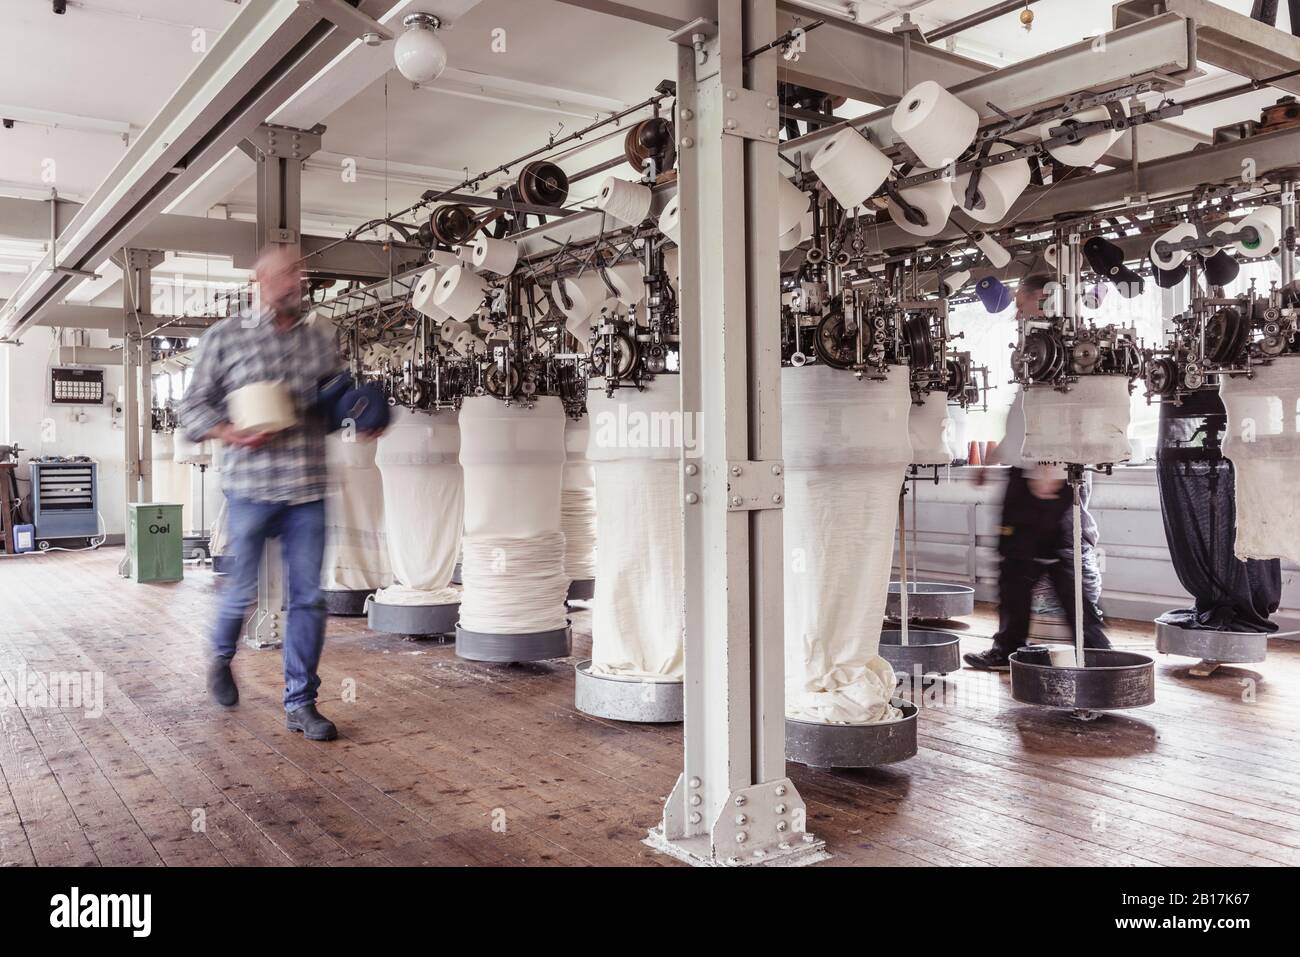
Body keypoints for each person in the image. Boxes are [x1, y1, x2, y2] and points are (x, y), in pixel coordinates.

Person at [181, 246, 350, 740]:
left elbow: (332, 400)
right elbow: (191, 406)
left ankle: (301, 703)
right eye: (287, 272)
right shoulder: (224, 338)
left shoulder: (320, 337)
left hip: (307, 486)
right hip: (251, 487)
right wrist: (230, 432)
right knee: (241, 592)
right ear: (260, 278)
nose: (297, 279)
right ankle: (220, 657)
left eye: (300, 271)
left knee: (309, 598)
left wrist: (359, 417)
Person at [964, 273, 1112, 671]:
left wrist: (1053, 468)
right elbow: (1021, 421)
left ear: (1042, 300)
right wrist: (992, 458)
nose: (1015, 312)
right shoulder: (1034, 353)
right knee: (1016, 568)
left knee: (1059, 572)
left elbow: (1069, 416)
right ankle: (1009, 647)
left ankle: (1097, 654)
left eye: (1020, 302)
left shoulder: (1059, 351)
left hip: (1045, 482)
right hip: (1023, 475)